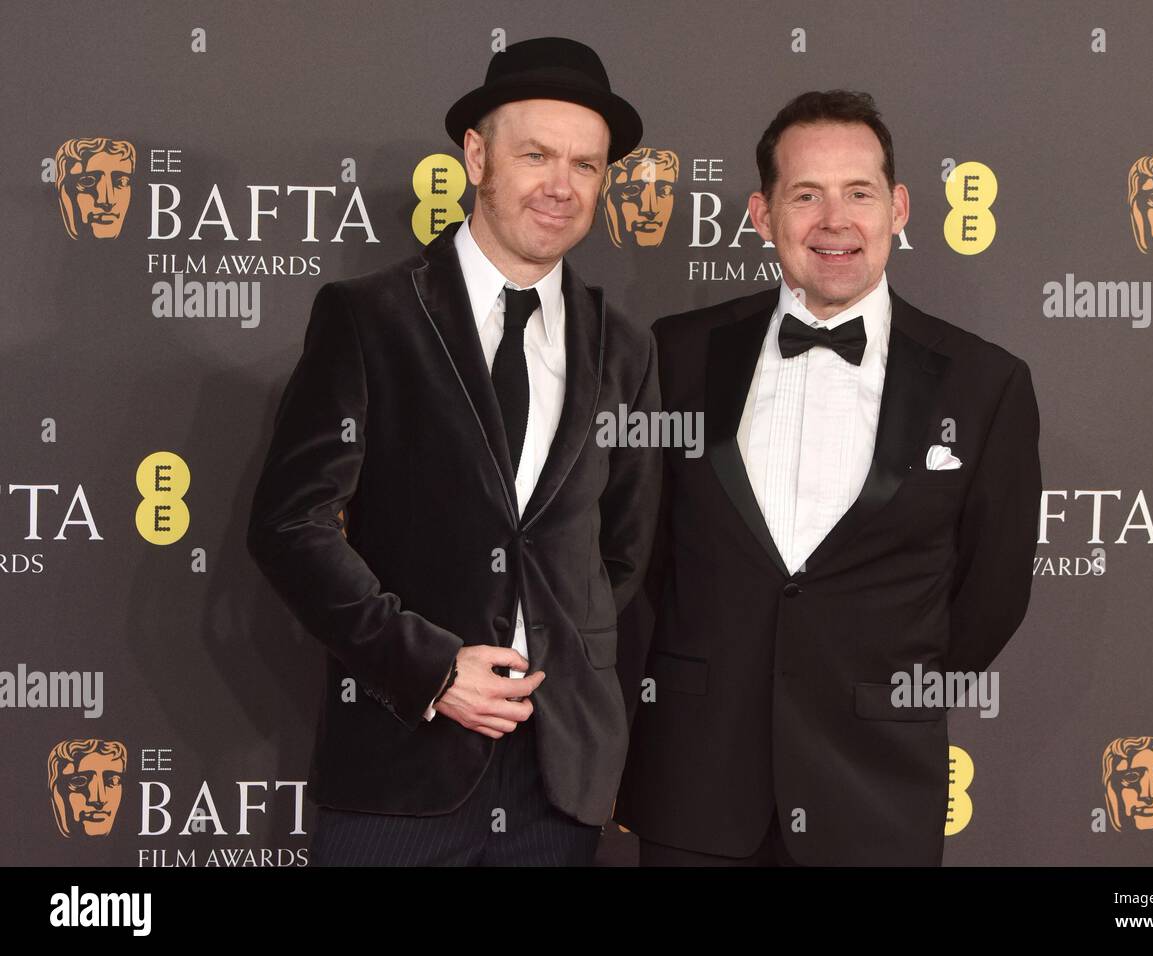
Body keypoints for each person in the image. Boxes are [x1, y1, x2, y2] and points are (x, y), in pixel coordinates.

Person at [246, 36, 660, 866]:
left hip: (557, 780)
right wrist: (433, 667)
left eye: (586, 165)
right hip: (401, 767)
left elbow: (621, 551)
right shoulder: (370, 318)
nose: (560, 185)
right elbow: (292, 526)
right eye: (536, 154)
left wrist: (559, 668)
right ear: (477, 156)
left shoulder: (624, 347)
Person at [614, 89, 1042, 866]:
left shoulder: (986, 383)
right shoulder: (674, 354)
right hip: (697, 783)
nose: (834, 220)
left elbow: (994, 589)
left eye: (859, 193)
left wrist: (886, 700)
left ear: (899, 207)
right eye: (805, 195)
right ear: (762, 213)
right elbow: (638, 557)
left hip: (876, 792)